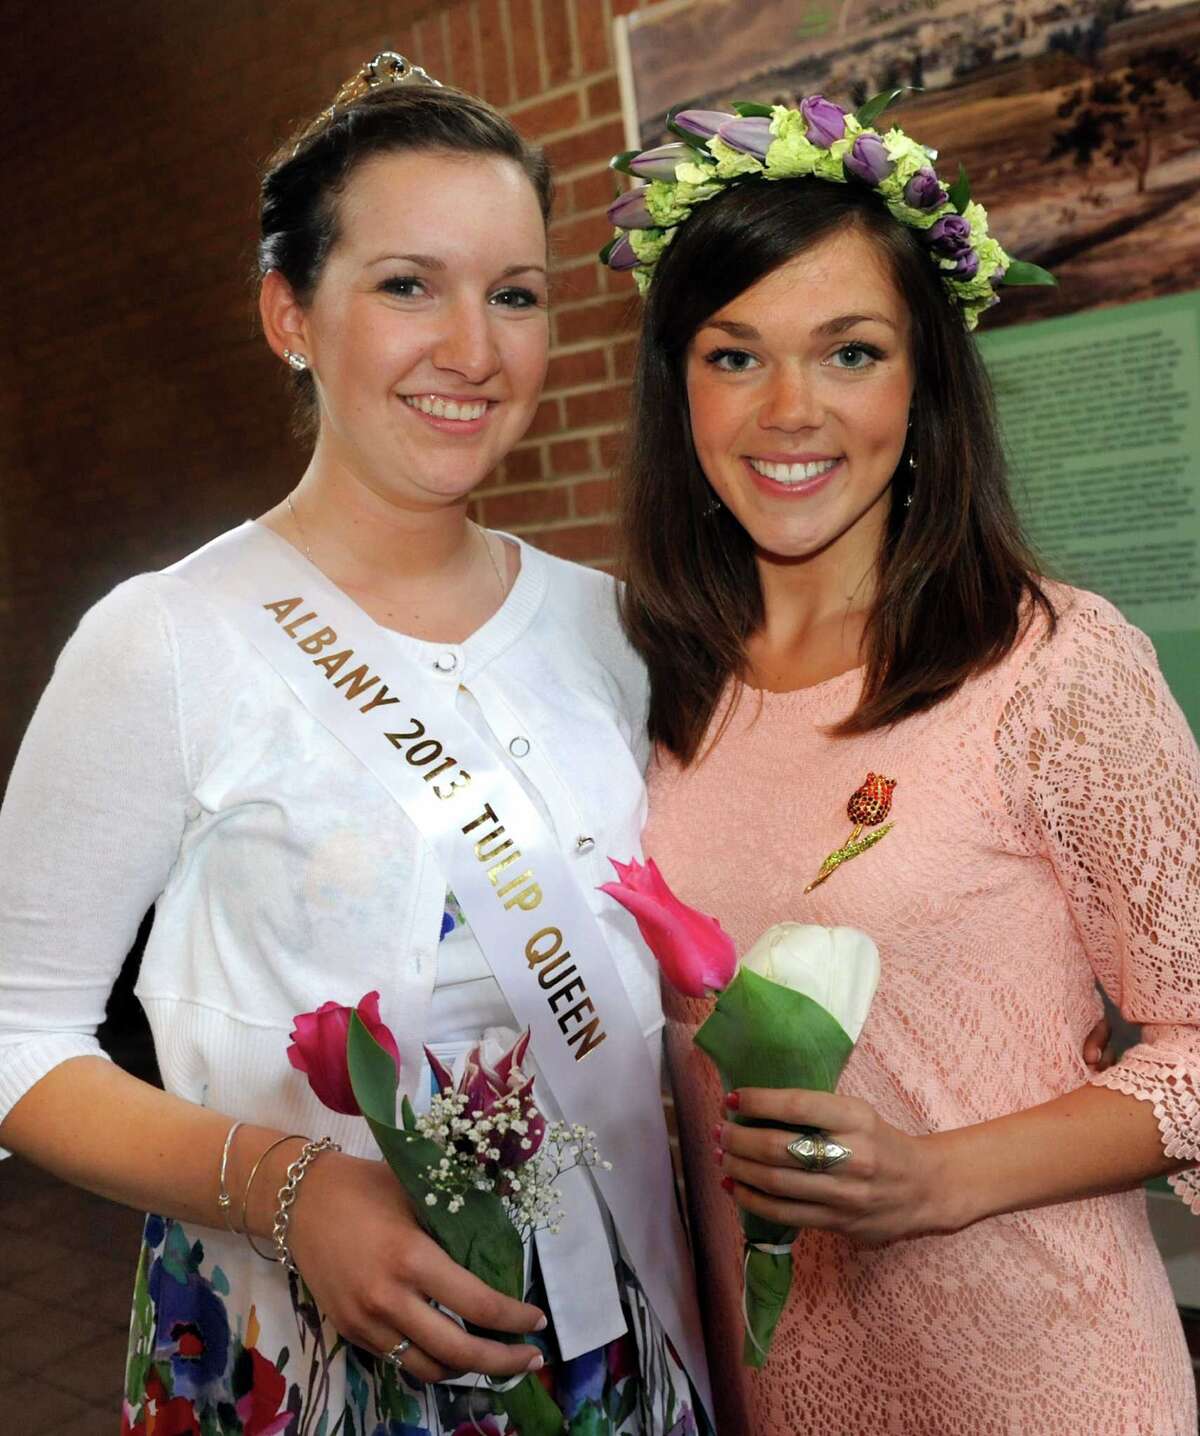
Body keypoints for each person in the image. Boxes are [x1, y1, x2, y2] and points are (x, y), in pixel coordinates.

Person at [0, 55, 710, 1436]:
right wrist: (289, 1185)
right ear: (291, 313)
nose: (474, 347)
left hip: (610, 1337)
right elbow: (13, 1036)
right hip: (297, 1342)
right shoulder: (168, 640)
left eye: (514, 294)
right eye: (407, 285)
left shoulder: (615, 629)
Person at [604, 96, 1200, 1433]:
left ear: (926, 380)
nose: (790, 410)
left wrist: (936, 1177)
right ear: (676, 387)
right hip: (783, 1388)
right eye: (733, 355)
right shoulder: (654, 688)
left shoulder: (1049, 667)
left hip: (1038, 1378)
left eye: (851, 351)